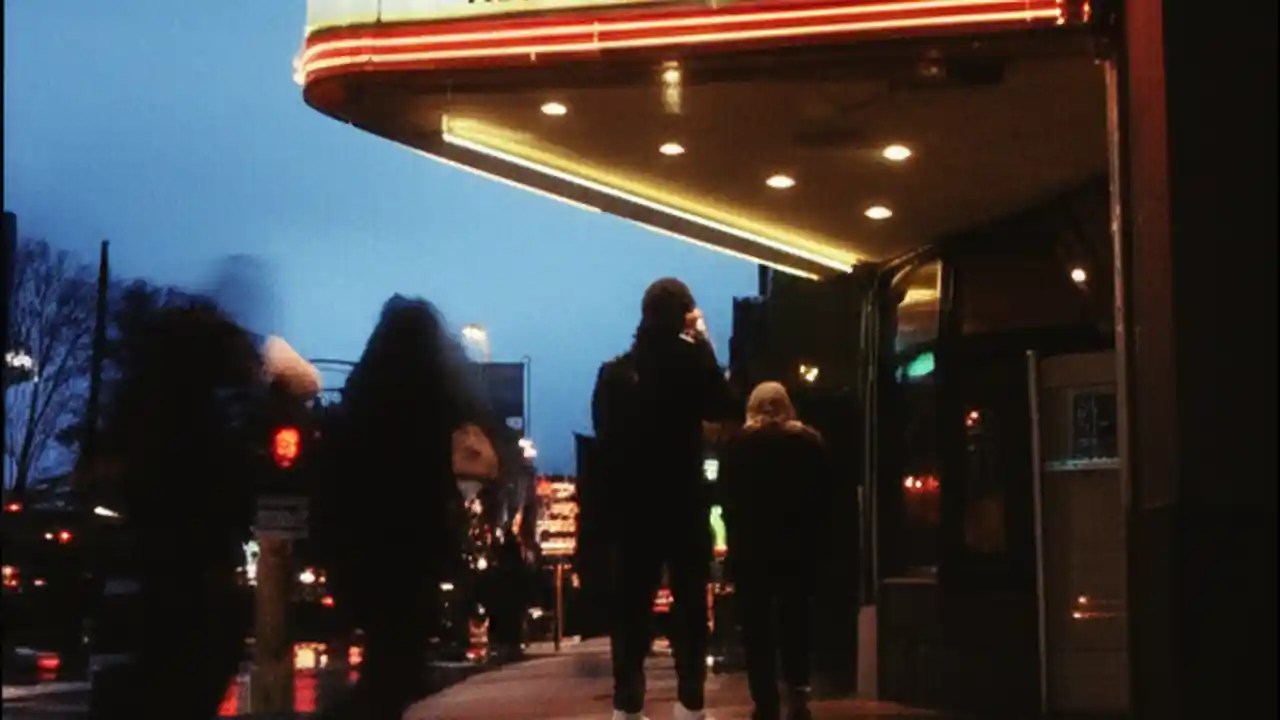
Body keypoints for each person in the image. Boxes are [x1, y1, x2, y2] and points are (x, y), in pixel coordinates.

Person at [90, 304, 261, 718]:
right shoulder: (201, 423)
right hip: (192, 573)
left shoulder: (149, 407)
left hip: (163, 571)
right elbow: (231, 493)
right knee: (184, 677)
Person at [318, 296, 479, 719]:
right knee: (400, 657)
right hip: (413, 541)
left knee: (384, 655)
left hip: (361, 540)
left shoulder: (362, 394)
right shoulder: (435, 398)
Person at [593, 278, 737, 720]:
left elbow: (603, 433)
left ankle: (628, 702)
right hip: (683, 498)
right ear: (683, 314)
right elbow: (724, 406)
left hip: (632, 505)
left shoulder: (616, 372)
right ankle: (690, 701)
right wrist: (704, 342)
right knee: (691, 604)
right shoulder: (693, 361)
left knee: (631, 607)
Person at [720, 382, 829, 720]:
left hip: (752, 549)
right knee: (796, 616)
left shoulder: (737, 445)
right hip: (797, 547)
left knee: (757, 624)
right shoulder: (809, 443)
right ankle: (798, 685)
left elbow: (728, 500)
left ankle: (763, 693)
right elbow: (823, 499)